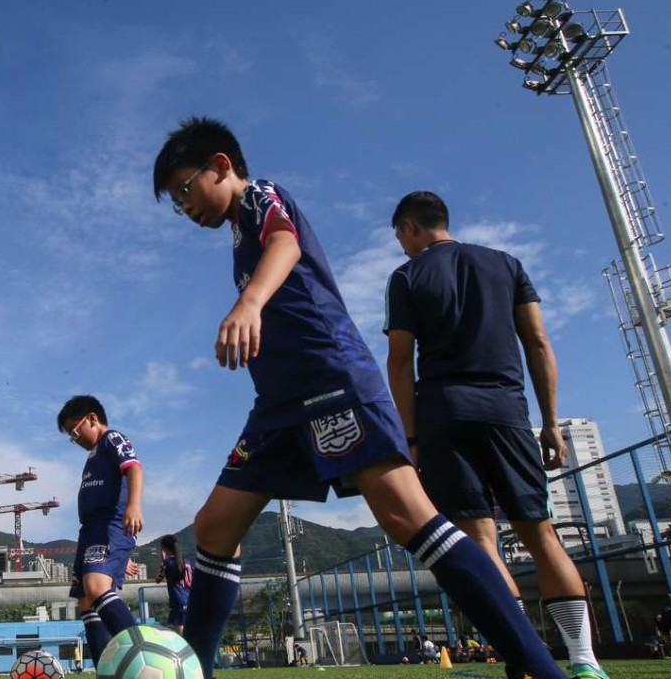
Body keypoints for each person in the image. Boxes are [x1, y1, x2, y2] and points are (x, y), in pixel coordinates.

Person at [152, 117, 565, 679]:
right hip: (277, 406)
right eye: (175, 203)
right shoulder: (236, 235)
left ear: (220, 166)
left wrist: (250, 304)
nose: (185, 207)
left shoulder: (261, 198)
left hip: (329, 380)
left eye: (183, 190)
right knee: (214, 527)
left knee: (407, 516)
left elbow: (286, 242)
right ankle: (194, 670)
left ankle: (543, 669)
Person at [383, 190, 609, 679]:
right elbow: (538, 342)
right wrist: (550, 421)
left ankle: (527, 662)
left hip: (444, 414)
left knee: (481, 537)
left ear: (410, 228)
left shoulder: (406, 276)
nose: (401, 244)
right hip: (508, 410)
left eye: (399, 235)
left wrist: (410, 438)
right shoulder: (507, 264)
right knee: (540, 533)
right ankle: (586, 662)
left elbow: (400, 360)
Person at [57, 395, 144, 669]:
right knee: (85, 601)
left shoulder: (111, 438)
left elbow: (134, 468)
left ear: (92, 418)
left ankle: (145, 658)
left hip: (111, 524)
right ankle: (106, 670)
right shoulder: (93, 454)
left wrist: (134, 506)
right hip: (90, 532)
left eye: (75, 431)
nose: (75, 439)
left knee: (96, 588)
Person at [154, 534, 191, 636]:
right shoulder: (187, 561)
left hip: (178, 599)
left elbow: (158, 579)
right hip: (190, 598)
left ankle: (186, 650)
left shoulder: (167, 562)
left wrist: (162, 560)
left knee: (181, 631)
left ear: (164, 548)